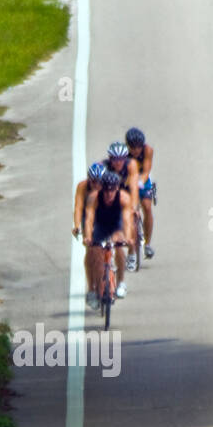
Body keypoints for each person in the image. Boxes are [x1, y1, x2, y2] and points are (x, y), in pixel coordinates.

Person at [84, 169, 133, 303]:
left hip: (116, 225)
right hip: (100, 224)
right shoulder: (94, 197)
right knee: (93, 252)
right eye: (106, 190)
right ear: (101, 189)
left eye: (112, 190)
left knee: (119, 248)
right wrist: (88, 237)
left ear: (117, 188)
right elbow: (89, 220)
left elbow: (127, 221)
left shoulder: (123, 198)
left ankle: (121, 282)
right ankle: (92, 289)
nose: (109, 193)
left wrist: (127, 237)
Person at [73, 162, 106, 303]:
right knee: (91, 249)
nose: (96, 185)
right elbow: (79, 207)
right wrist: (76, 226)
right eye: (93, 182)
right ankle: (91, 288)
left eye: (99, 182)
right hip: (88, 216)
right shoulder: (82, 187)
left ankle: (110, 278)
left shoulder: (109, 186)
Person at [106, 140, 140, 270]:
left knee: (130, 220)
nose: (118, 162)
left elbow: (134, 189)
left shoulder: (131, 165)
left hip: (128, 192)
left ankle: (131, 254)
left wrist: (135, 207)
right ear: (110, 159)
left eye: (121, 159)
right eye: (115, 159)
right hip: (111, 194)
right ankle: (111, 254)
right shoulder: (105, 167)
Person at [125, 127, 156, 259]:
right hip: (127, 180)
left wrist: (140, 182)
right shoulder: (123, 154)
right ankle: (130, 250)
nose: (136, 150)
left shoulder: (148, 150)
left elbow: (146, 170)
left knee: (147, 208)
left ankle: (147, 244)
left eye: (138, 147)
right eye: (133, 147)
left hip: (142, 180)